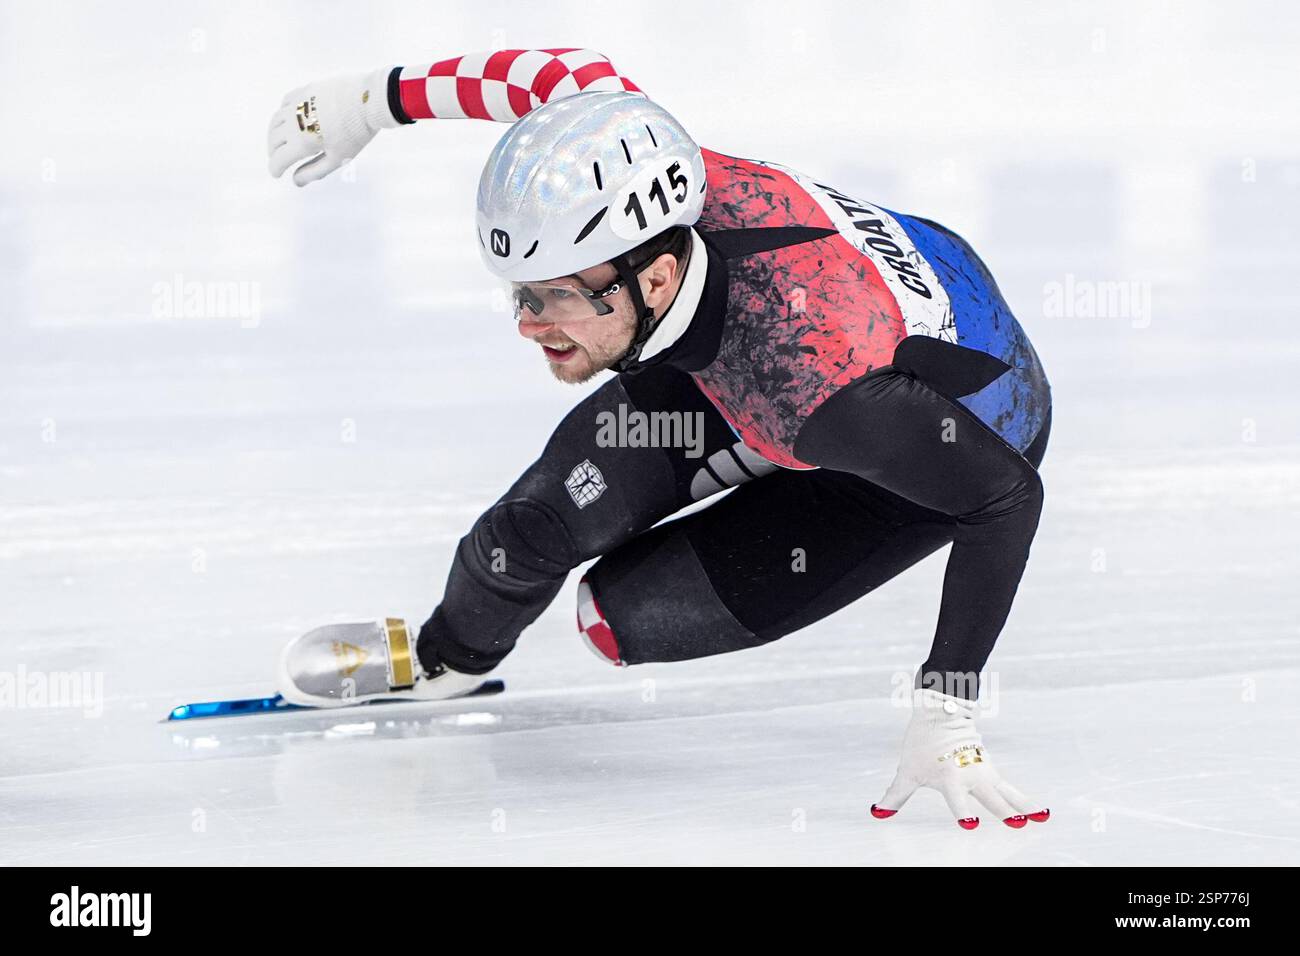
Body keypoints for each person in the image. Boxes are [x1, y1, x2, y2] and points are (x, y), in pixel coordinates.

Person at [266, 49, 1052, 830]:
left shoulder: (817, 385)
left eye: (556, 296)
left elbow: (1006, 498)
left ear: (654, 281)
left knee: (617, 619)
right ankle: (448, 658)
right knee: (534, 529)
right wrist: (371, 100)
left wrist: (947, 706)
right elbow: (553, 72)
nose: (528, 324)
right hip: (789, 335)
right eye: (520, 293)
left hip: (924, 444)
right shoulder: (626, 145)